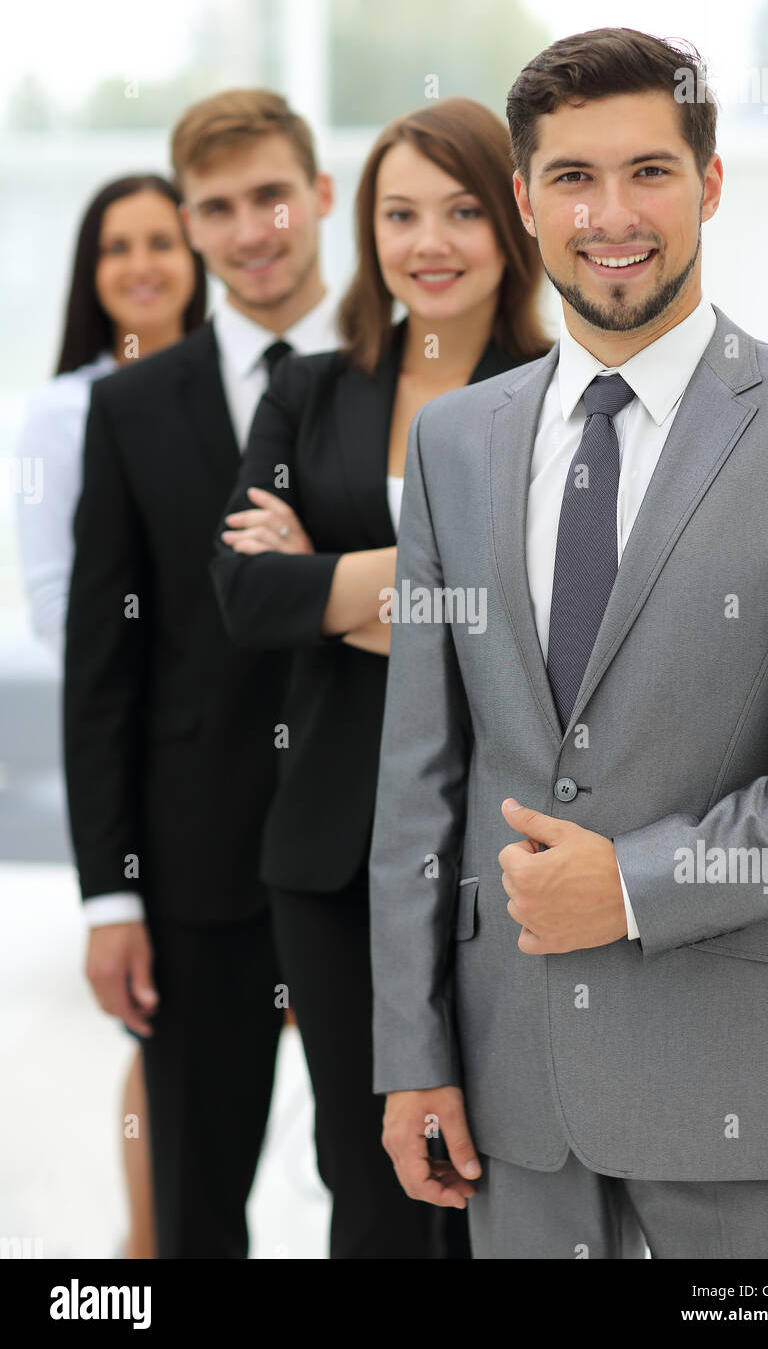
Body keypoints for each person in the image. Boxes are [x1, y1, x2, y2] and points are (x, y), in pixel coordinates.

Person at [368, 27, 768, 1259]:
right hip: (510, 1088)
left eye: (647, 171)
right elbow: (420, 779)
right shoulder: (454, 445)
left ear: (706, 181)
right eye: (572, 179)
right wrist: (410, 1053)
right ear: (527, 203)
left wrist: (640, 884)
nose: (611, 215)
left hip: (748, 1087)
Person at [210, 96, 551, 1258]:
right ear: (365, 228)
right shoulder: (308, 392)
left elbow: (544, 628)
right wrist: (436, 601)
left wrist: (332, 591)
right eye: (398, 212)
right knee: (363, 1176)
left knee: (491, 1174)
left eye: (460, 209)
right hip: (332, 853)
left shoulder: (561, 394)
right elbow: (245, 598)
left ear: (510, 220)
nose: (428, 241)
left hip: (502, 855)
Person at [63, 89, 341, 1258]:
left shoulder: (407, 381)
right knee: (192, 1200)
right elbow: (104, 666)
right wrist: (110, 895)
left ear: (322, 196)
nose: (251, 230)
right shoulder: (130, 406)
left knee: (395, 1190)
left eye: (272, 195)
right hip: (190, 863)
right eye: (217, 208)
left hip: (368, 853)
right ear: (189, 224)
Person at [16, 173, 207, 1259]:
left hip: (268, 762)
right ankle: (147, 1249)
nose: (140, 263)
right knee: (172, 1041)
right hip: (149, 756)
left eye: (160, 240)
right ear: (92, 276)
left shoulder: (254, 388)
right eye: (114, 246)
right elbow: (58, 607)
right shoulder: (63, 410)